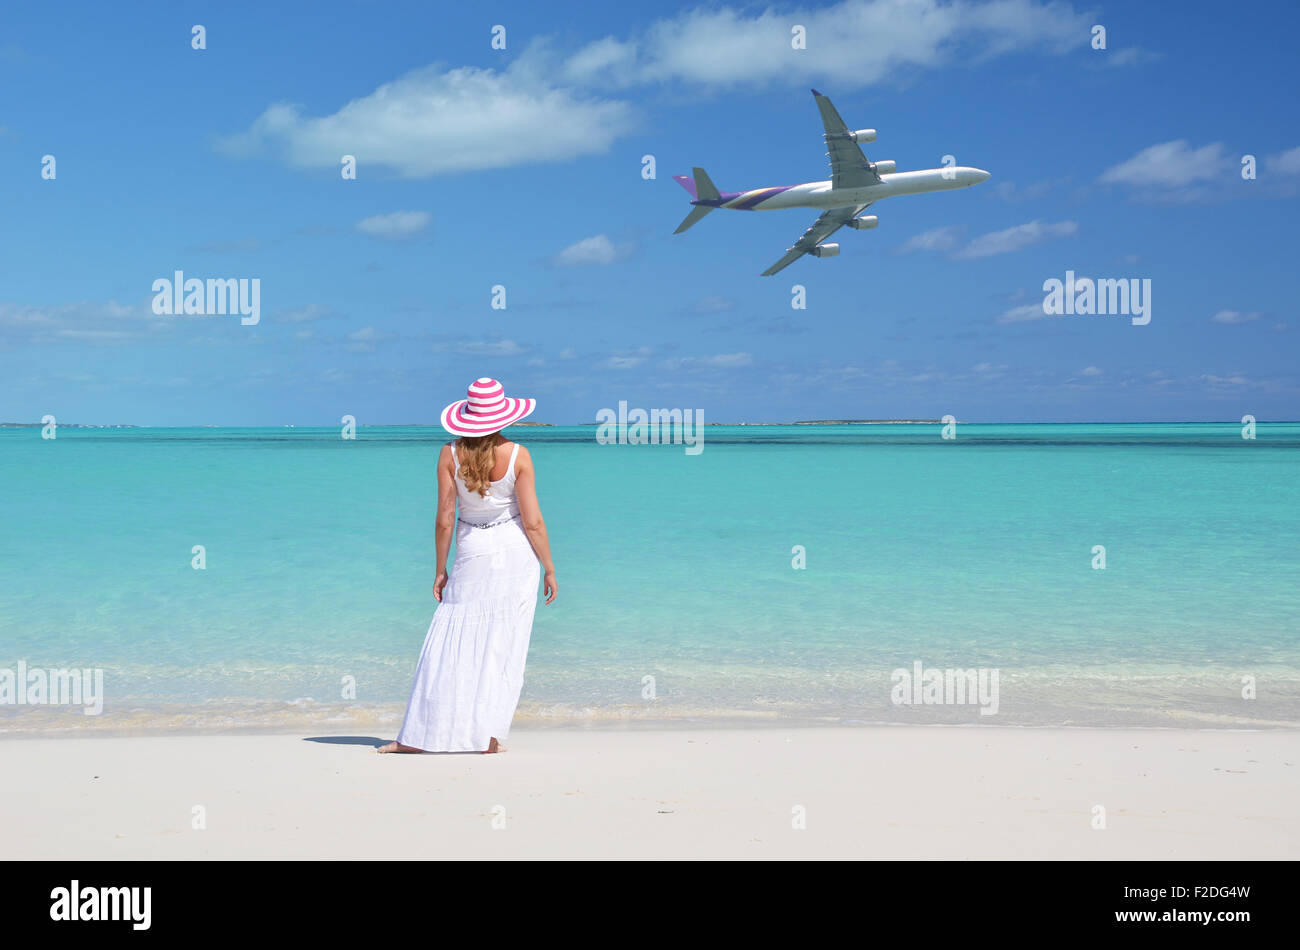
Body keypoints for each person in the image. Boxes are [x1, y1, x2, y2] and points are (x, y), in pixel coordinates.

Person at [378, 378, 556, 754]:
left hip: (471, 548)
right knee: (502, 647)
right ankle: (488, 738)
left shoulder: (449, 454)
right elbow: (534, 521)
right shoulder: (519, 455)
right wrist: (550, 567)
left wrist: (440, 568)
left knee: (449, 644)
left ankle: (418, 737)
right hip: (515, 552)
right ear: (501, 415)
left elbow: (445, 517)